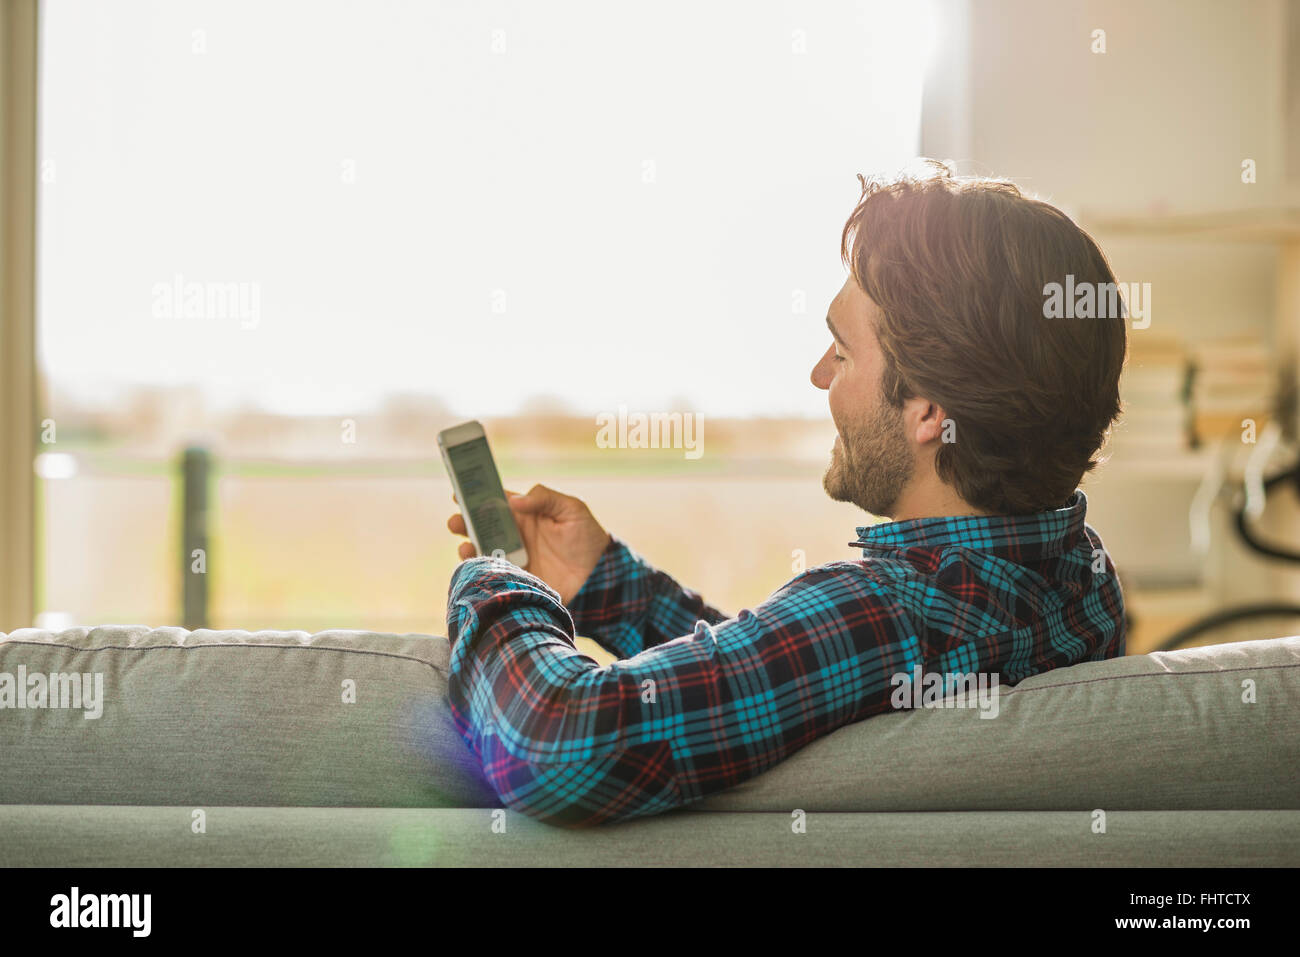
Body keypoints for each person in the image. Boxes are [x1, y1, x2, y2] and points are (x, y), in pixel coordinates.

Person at [444, 161, 1128, 827]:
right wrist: (604, 581)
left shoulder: (896, 613)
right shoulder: (1080, 581)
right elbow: (777, 678)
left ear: (927, 411)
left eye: (842, 350)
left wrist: (494, 580)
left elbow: (551, 742)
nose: (817, 373)